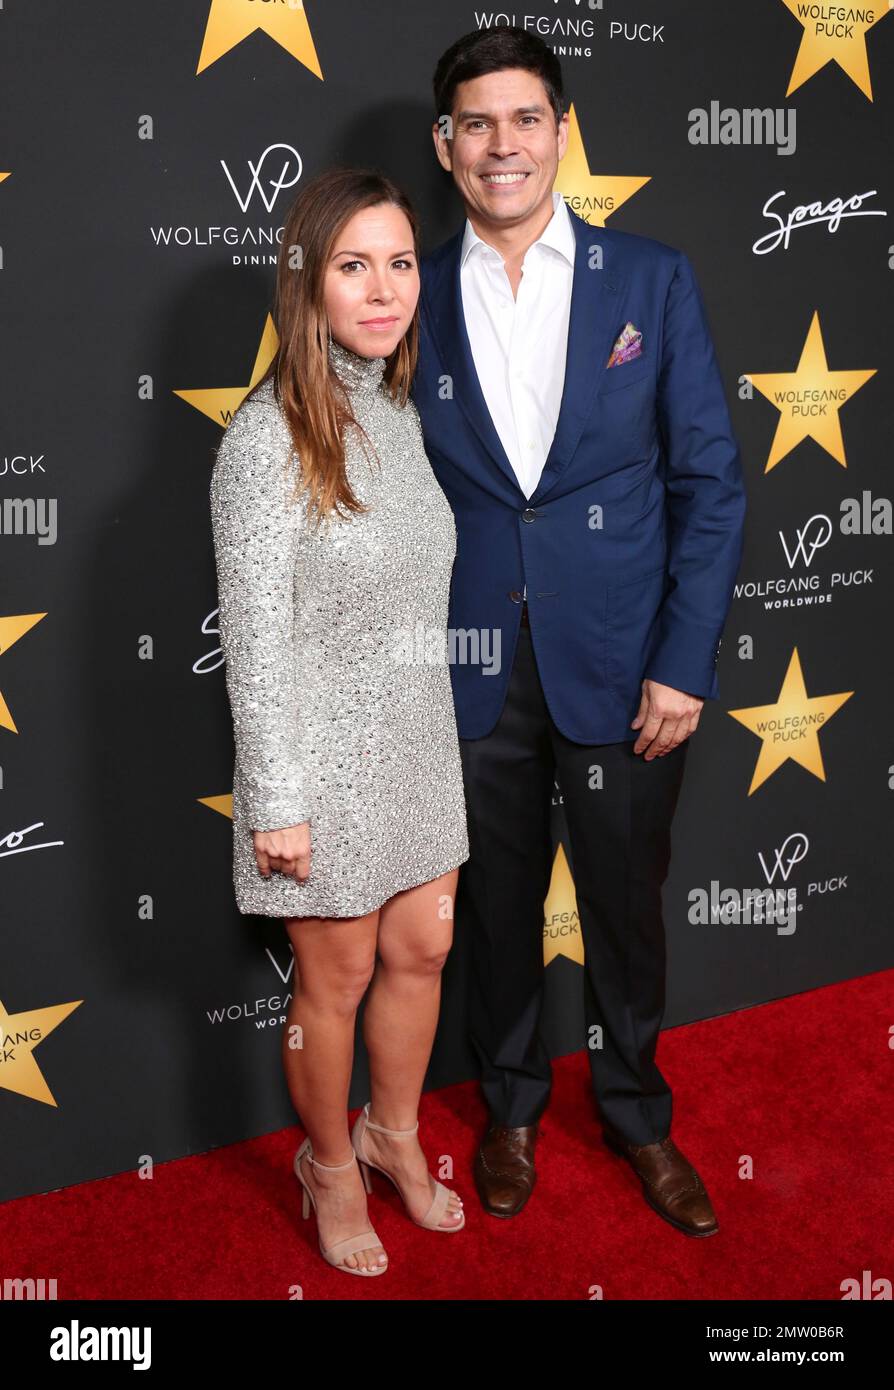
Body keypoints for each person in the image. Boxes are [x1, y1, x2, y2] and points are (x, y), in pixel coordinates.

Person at [411, 27, 747, 1236]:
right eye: (477, 124)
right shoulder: (409, 293)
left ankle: (640, 1116)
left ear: (561, 129)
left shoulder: (649, 278)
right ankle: (508, 1109)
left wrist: (682, 659)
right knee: (493, 910)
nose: (504, 145)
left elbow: (710, 482)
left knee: (624, 901)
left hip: (621, 661)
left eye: (525, 119)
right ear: (448, 147)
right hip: (468, 668)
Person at [209, 168, 468, 1278]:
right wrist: (278, 800)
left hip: (416, 740)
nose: (382, 288)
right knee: (338, 978)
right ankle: (327, 1164)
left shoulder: (398, 413)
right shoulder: (265, 440)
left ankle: (392, 1136)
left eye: (399, 262)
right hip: (320, 766)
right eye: (352, 264)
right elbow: (256, 635)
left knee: (426, 945)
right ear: (306, 281)